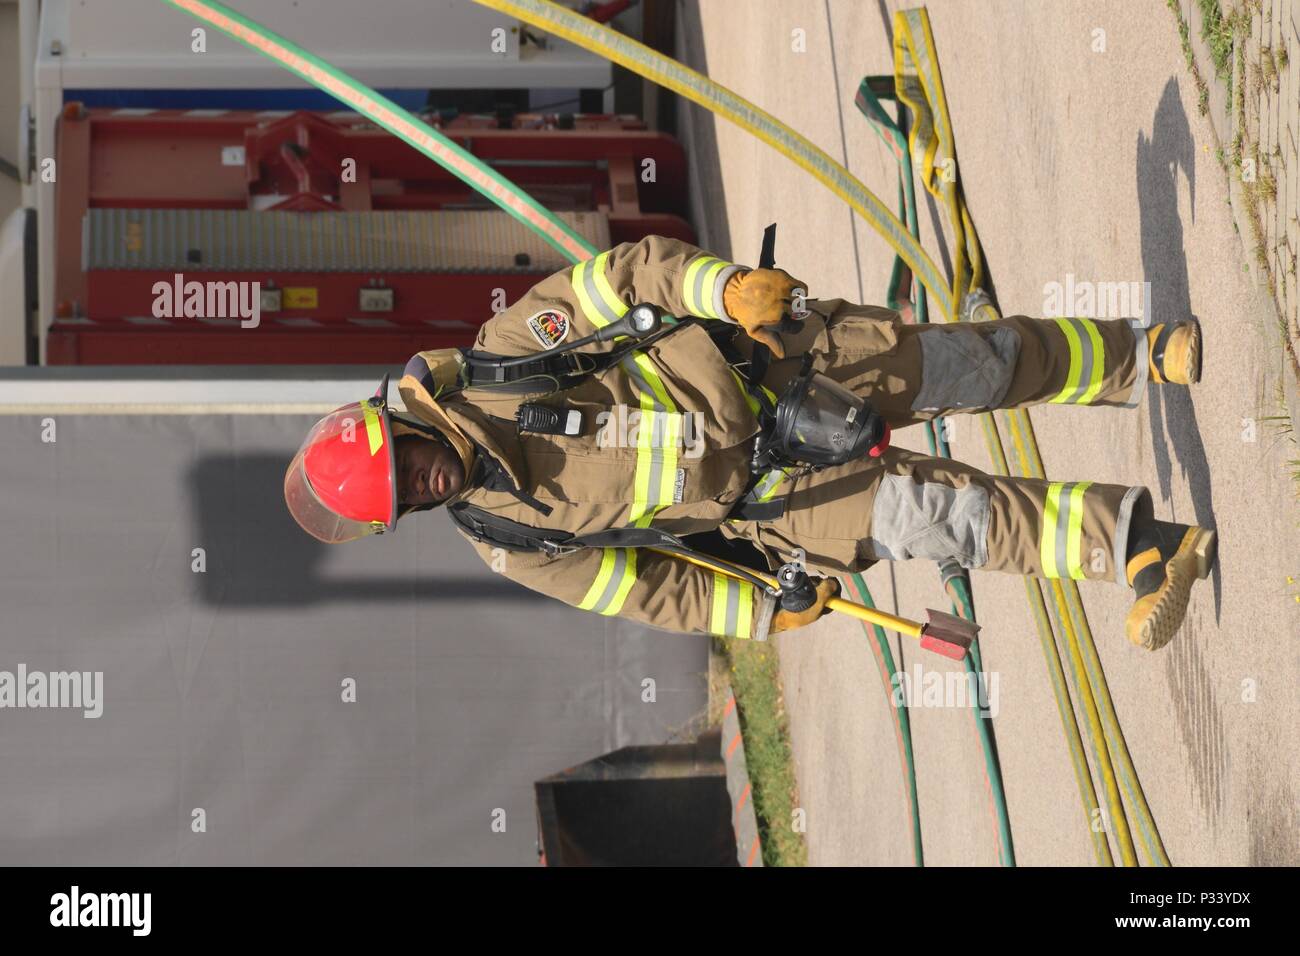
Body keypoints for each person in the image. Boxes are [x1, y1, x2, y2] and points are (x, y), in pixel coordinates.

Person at [284, 236, 1215, 650]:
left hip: (777, 366)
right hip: (776, 497)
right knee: (950, 520)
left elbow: (619, 280)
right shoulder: (511, 541)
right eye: (405, 493)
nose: (423, 478)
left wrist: (723, 289)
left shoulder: (500, 356)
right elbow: (649, 590)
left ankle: (1136, 356)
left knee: (971, 365)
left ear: (400, 425)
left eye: (404, 460)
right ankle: (1142, 549)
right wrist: (762, 615)